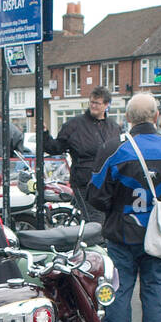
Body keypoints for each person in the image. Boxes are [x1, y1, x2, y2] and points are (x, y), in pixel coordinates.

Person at [87, 92, 161, 322]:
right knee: (155, 292)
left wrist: (118, 203)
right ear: (155, 116)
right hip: (158, 232)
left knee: (119, 292)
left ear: (128, 117)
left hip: (122, 231)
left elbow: (96, 194)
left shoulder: (115, 147)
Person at [41, 86, 122, 222]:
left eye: (97, 103)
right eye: (91, 102)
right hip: (84, 181)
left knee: (109, 219)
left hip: (108, 182)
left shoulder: (113, 127)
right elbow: (56, 148)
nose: (93, 106)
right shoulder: (74, 125)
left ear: (106, 105)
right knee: (95, 220)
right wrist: (44, 134)